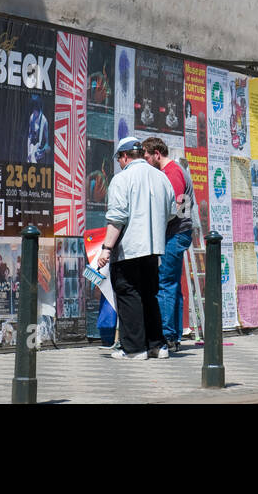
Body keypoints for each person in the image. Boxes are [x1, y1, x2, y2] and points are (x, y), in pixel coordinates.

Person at [95, 136, 175, 359]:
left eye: (119, 158)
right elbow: (171, 213)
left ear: (124, 156)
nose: (119, 163)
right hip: (154, 247)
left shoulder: (122, 179)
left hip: (128, 248)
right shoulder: (161, 178)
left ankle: (134, 348)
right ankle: (157, 345)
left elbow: (117, 218)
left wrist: (106, 248)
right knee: (150, 295)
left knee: (128, 293)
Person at [142, 136, 196, 352]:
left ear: (157, 154)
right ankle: (173, 336)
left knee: (165, 282)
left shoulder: (171, 172)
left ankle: (166, 337)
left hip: (176, 232)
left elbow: (175, 207)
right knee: (172, 284)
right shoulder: (171, 171)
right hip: (178, 232)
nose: (145, 161)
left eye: (146, 157)